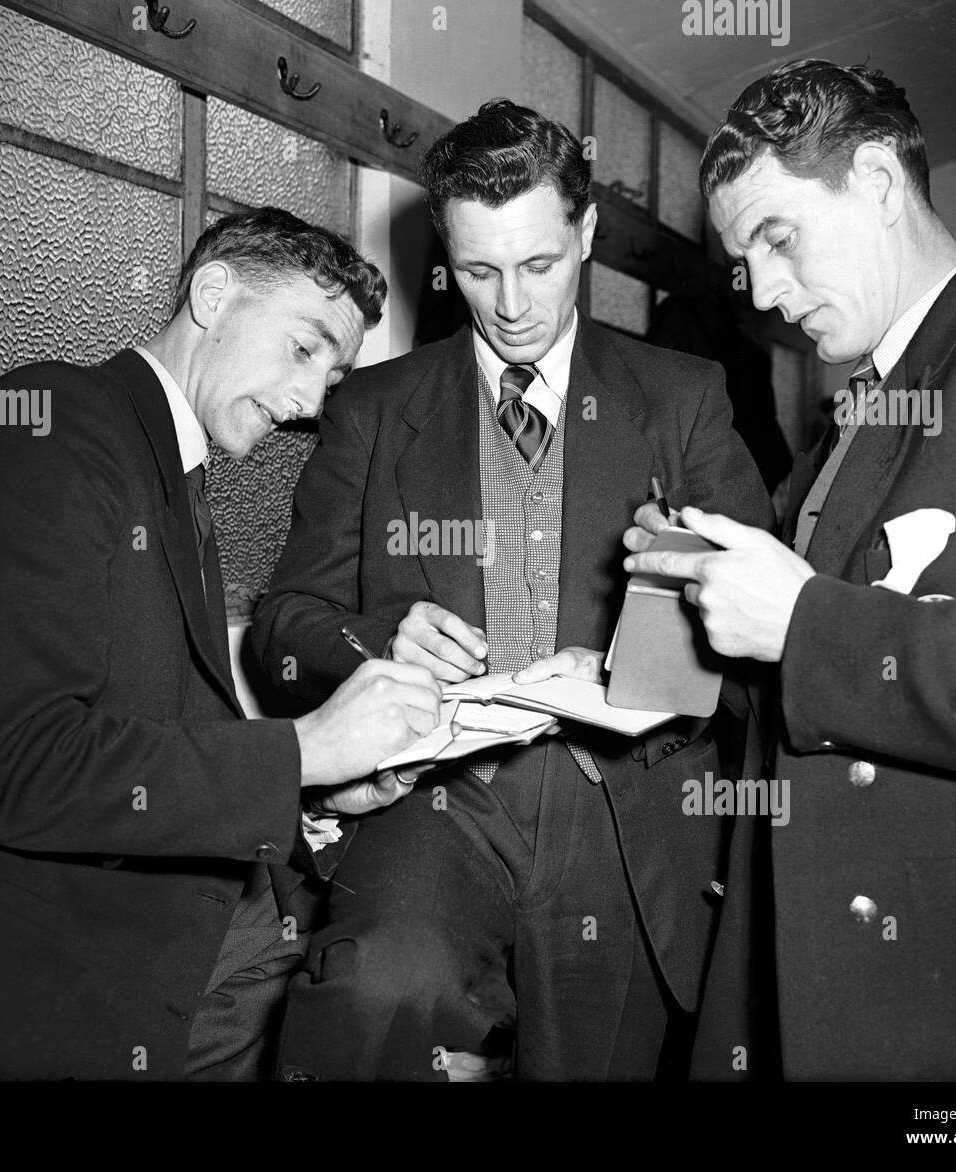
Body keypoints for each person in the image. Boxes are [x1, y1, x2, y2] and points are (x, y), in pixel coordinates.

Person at [0, 207, 443, 1080]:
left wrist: (322, 790)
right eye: (303, 348)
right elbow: (21, 763)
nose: (308, 402)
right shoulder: (52, 421)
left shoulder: (166, 472)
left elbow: (143, 735)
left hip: (110, 915)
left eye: (333, 377)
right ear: (212, 295)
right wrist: (306, 747)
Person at [251, 100, 773, 1080]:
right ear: (445, 250)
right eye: (480, 271)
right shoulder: (370, 408)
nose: (513, 304)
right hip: (438, 801)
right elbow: (280, 630)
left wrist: (639, 667)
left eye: (538, 265)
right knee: (367, 997)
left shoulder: (684, 396)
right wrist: (378, 635)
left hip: (627, 819)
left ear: (585, 233)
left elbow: (762, 642)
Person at [626, 60, 956, 1080]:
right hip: (798, 975)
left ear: (878, 182)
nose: (761, 290)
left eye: (776, 237)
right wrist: (677, 609)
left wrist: (801, 620)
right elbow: (809, 693)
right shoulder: (858, 415)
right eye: (742, 260)